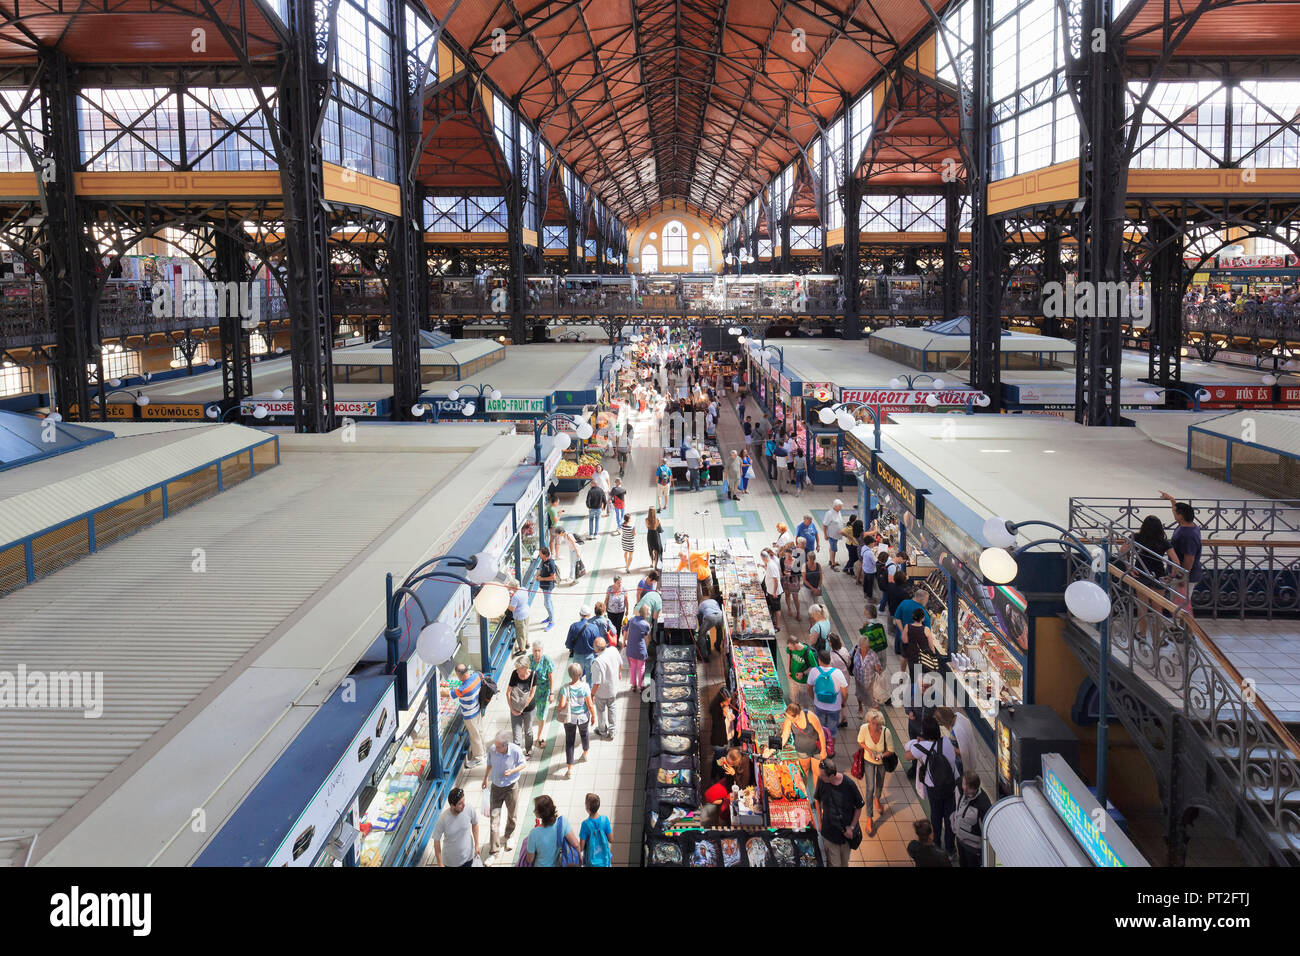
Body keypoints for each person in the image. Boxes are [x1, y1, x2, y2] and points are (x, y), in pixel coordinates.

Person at [907, 714, 961, 858]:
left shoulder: (922, 746)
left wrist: (920, 742)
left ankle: (936, 844)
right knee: (950, 818)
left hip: (934, 788)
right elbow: (956, 754)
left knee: (936, 817)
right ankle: (951, 849)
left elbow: (907, 755)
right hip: (950, 785)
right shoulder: (947, 742)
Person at [481, 730, 526, 859]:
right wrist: (485, 779)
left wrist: (513, 771)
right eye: (495, 745)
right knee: (494, 819)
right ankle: (494, 851)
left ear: (506, 745)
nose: (495, 748)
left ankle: (509, 835)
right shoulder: (492, 750)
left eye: (498, 746)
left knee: (512, 814)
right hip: (496, 788)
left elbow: (523, 764)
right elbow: (489, 764)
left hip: (511, 787)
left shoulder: (516, 751)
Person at [814, 758, 863, 867]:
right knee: (834, 864)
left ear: (831, 776)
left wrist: (852, 827)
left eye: (823, 775)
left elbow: (859, 807)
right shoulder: (822, 780)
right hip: (829, 833)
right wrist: (820, 821)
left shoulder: (849, 785)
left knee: (844, 863)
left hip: (845, 835)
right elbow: (817, 799)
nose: (820, 777)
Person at [1161, 490, 1202, 613]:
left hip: (1185, 576)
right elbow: (1176, 512)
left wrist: (1181, 576)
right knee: (1179, 602)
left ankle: (1183, 629)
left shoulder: (1188, 535)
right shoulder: (1189, 526)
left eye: (1176, 513)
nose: (1174, 515)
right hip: (1181, 574)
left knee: (1182, 604)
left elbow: (1189, 558)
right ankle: (1180, 628)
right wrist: (1172, 501)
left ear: (1181, 516)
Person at [856, 709, 894, 835]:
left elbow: (891, 750)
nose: (876, 726)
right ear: (868, 721)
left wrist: (882, 756)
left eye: (878, 724)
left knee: (879, 783)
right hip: (868, 760)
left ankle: (877, 798)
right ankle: (869, 817)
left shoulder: (886, 732)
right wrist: (869, 751)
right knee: (870, 787)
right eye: (873, 723)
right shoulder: (864, 728)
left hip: (882, 762)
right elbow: (860, 741)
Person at [806, 649, 848, 754]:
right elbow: (845, 691)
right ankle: (830, 750)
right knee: (832, 730)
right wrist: (843, 702)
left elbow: (809, 687)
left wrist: (814, 698)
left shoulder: (814, 671)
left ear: (819, 660)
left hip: (819, 705)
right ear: (830, 660)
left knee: (819, 728)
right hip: (834, 707)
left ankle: (821, 749)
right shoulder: (838, 673)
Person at [779, 702, 827, 794]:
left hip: (816, 749)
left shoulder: (810, 716)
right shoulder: (789, 720)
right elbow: (785, 735)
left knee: (817, 774)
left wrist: (824, 750)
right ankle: (804, 794)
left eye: (790, 718)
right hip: (802, 750)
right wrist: (776, 747)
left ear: (797, 716)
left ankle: (817, 798)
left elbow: (821, 733)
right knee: (803, 772)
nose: (788, 720)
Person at [557, 662, 594, 778]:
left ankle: (569, 769)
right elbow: (590, 704)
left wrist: (565, 704)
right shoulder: (585, 686)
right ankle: (585, 753)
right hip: (583, 717)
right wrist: (593, 715)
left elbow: (561, 706)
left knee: (569, 742)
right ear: (580, 674)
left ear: (569, 675)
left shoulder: (565, 688)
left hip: (570, 719)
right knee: (584, 734)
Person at [430, 788, 479, 867]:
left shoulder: (469, 809)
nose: (464, 805)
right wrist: (440, 864)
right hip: (450, 863)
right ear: (452, 806)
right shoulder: (443, 819)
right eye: (460, 803)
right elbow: (436, 841)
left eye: (464, 801)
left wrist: (476, 845)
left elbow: (475, 824)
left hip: (468, 858)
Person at [525, 795, 579, 866]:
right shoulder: (562, 823)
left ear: (539, 814)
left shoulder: (534, 833)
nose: (533, 811)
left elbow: (530, 859)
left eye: (535, 809)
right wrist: (580, 858)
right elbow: (575, 844)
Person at [951, 771, 992, 867]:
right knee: (962, 863)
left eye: (964, 783)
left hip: (973, 847)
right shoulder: (960, 788)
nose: (961, 784)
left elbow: (986, 831)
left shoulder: (983, 805)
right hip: (960, 839)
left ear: (971, 788)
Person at [452, 663, 485, 768]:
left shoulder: (463, 689)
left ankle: (479, 758)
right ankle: (483, 751)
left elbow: (451, 694)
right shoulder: (476, 676)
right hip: (477, 708)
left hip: (469, 715)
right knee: (479, 731)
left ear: (459, 675)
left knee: (474, 736)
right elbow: (481, 675)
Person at [590, 636, 622, 740]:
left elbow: (597, 683)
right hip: (613, 688)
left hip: (602, 693)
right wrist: (619, 673)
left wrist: (591, 695)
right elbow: (620, 664)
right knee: (612, 708)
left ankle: (602, 731)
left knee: (601, 711)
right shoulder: (613, 650)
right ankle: (612, 731)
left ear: (596, 649)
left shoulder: (597, 662)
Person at [507, 657, 537, 755]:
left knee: (528, 731)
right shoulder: (514, 674)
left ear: (526, 667)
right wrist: (512, 709)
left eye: (519, 668)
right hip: (515, 709)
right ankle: (517, 754)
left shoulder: (533, 675)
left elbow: (532, 693)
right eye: (516, 668)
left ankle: (528, 750)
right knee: (516, 733)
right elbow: (508, 693)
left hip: (529, 709)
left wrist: (524, 706)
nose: (517, 670)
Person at [565, 605, 600, 683]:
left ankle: (578, 691)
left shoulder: (573, 626)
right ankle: (589, 693)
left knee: (576, 676)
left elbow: (568, 644)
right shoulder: (594, 628)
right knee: (590, 677)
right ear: (589, 615)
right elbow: (598, 644)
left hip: (577, 656)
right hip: (590, 656)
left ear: (580, 614)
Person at [851, 633, 883, 718]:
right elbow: (850, 658)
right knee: (859, 694)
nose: (866, 648)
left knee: (872, 701)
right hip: (858, 678)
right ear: (860, 645)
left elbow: (879, 669)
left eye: (867, 646)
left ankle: (876, 716)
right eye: (864, 647)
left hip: (869, 681)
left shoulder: (872, 654)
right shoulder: (855, 650)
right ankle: (860, 708)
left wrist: (878, 668)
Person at [529, 642, 554, 750]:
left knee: (542, 714)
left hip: (544, 691)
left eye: (539, 651)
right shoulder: (529, 659)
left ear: (542, 651)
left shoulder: (547, 660)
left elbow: (551, 678)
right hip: (533, 690)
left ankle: (539, 736)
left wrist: (552, 693)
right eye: (535, 651)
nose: (537, 653)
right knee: (532, 712)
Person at [579, 793, 613, 868]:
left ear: (587, 808)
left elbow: (581, 847)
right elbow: (611, 839)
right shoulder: (605, 820)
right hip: (605, 861)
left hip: (591, 863)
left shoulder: (585, 824)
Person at [624, 604, 652, 690]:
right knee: (641, 668)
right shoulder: (646, 625)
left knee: (633, 667)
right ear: (647, 614)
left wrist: (624, 641)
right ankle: (640, 686)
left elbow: (625, 630)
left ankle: (633, 685)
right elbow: (647, 638)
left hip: (631, 648)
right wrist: (646, 648)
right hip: (640, 649)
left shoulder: (632, 620)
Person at [696, 587, 726, 662]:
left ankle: (704, 655)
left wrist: (704, 630)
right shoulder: (713, 601)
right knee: (719, 629)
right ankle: (717, 645)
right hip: (720, 615)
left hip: (710, 616)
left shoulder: (700, 606)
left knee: (701, 634)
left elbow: (700, 621)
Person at [507, 576, 532, 654]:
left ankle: (522, 649)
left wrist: (506, 604)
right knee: (526, 629)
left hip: (519, 616)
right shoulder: (524, 589)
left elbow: (512, 609)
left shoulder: (515, 596)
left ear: (513, 587)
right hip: (526, 612)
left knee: (520, 633)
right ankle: (527, 643)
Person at [762, 547, 785, 631]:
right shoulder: (769, 563)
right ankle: (774, 620)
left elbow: (775, 580)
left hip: (775, 592)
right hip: (771, 590)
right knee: (773, 606)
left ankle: (778, 626)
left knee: (777, 608)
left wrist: (774, 592)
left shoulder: (772, 564)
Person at [536, 546, 558, 630]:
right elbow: (541, 569)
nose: (539, 555)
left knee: (547, 604)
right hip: (544, 585)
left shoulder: (551, 563)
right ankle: (550, 616)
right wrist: (538, 575)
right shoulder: (544, 560)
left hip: (548, 586)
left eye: (540, 554)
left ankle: (552, 621)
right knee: (549, 602)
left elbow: (553, 577)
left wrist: (542, 578)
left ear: (545, 554)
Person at [823, 499, 846, 569]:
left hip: (836, 535)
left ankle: (831, 560)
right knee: (834, 549)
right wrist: (825, 535)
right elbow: (824, 525)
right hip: (832, 535)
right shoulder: (829, 514)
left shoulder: (838, 512)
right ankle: (833, 563)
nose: (841, 508)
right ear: (835, 506)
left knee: (832, 547)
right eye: (840, 506)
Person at [802, 562, 825, 633]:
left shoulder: (818, 565)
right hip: (808, 588)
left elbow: (821, 578)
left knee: (815, 604)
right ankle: (811, 625)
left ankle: (815, 623)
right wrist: (813, 588)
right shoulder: (805, 566)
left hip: (816, 588)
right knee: (811, 607)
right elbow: (804, 579)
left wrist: (818, 588)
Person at [645, 506, 664, 571]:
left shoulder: (646, 520)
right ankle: (655, 566)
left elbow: (647, 526)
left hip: (650, 535)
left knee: (651, 550)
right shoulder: (658, 519)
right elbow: (660, 527)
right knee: (657, 551)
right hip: (656, 536)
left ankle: (652, 563)